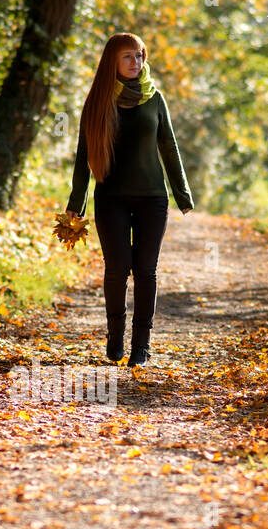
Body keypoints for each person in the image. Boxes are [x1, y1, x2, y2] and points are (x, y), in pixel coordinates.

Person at [66, 32, 194, 367]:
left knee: (146, 270)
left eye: (139, 56)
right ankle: (115, 337)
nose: (136, 63)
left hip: (153, 198)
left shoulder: (154, 99)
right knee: (118, 268)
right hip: (111, 199)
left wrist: (182, 193)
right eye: (127, 56)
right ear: (112, 61)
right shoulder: (98, 101)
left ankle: (142, 346)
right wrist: (75, 205)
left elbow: (169, 145)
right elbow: (83, 157)